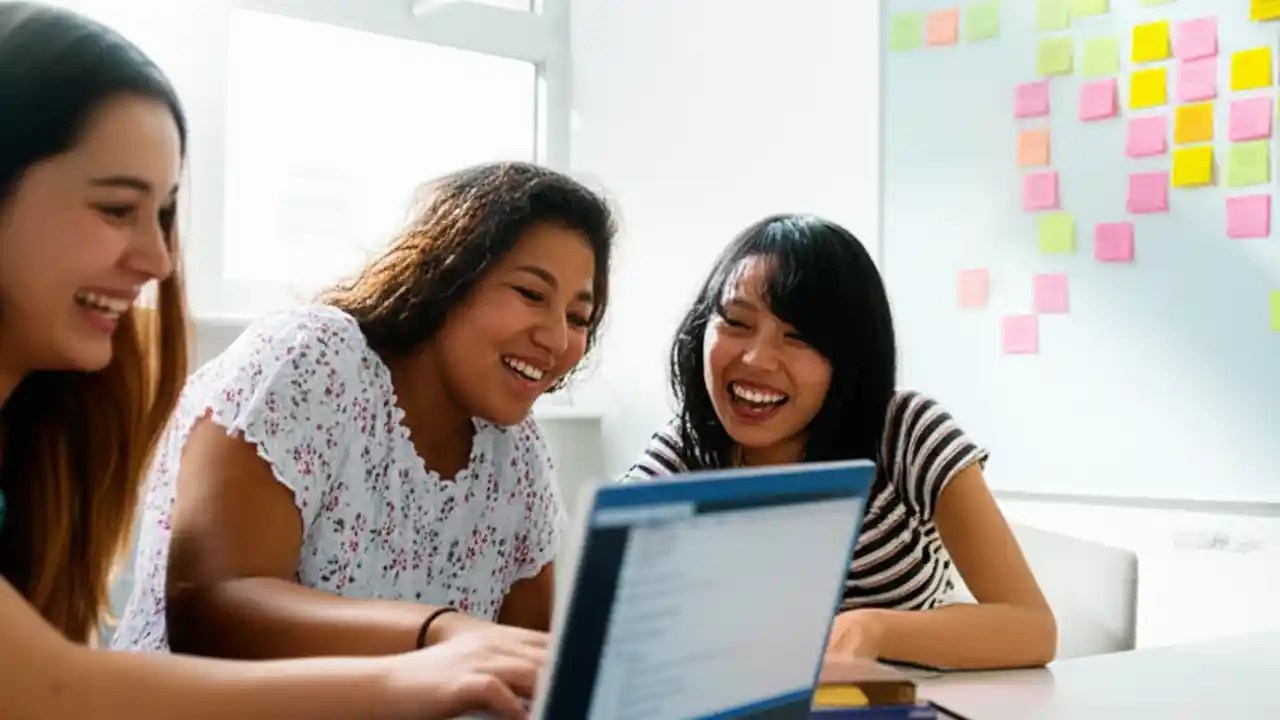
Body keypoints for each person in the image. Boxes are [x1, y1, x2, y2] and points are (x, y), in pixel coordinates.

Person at [0, 3, 541, 718]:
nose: (158, 259)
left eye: (163, 214)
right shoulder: (311, 356)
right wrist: (423, 667)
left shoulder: (45, 441)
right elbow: (50, 690)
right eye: (115, 209)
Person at [113, 161, 613, 661]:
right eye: (531, 294)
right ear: (449, 272)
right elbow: (208, 609)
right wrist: (440, 635)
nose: (556, 338)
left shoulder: (518, 457)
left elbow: (529, 663)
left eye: (577, 317)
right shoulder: (313, 360)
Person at [625, 214, 1057, 670]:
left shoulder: (905, 433)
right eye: (735, 323)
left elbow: (1031, 629)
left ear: (851, 359)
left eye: (799, 338)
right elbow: (614, 606)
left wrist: (871, 628)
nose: (756, 359)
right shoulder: (688, 448)